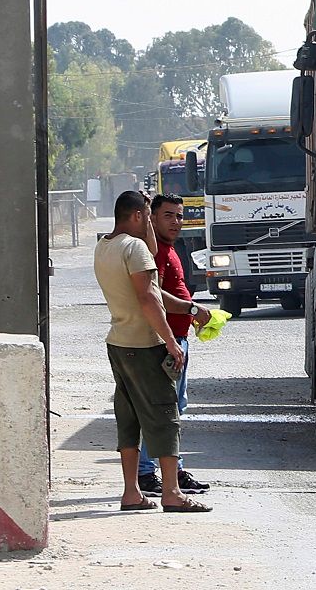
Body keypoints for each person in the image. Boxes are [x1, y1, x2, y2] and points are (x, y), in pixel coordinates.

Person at [93, 190, 211, 513]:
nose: (151, 221)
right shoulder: (134, 250)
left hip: (118, 342)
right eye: (147, 215)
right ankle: (172, 493)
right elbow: (150, 298)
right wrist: (171, 342)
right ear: (136, 217)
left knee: (128, 420)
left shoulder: (104, 247)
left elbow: (152, 270)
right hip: (145, 345)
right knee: (165, 416)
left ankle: (131, 492)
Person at [137, 194, 213, 497]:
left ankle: (174, 471)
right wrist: (192, 309)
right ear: (151, 218)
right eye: (168, 216)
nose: (176, 222)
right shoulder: (154, 252)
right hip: (166, 343)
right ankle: (146, 473)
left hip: (178, 340)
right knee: (161, 409)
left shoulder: (169, 249)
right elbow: (152, 295)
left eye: (180, 216)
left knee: (174, 408)